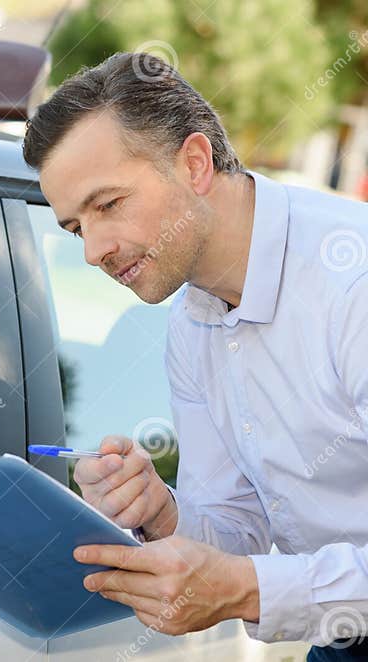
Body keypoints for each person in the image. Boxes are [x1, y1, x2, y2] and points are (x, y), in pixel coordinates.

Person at [23, 52, 368, 659]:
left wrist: (245, 589)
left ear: (195, 162)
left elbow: (243, 576)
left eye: (108, 205)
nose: (94, 251)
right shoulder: (191, 325)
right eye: (76, 227)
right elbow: (238, 528)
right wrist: (161, 511)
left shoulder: (353, 283)